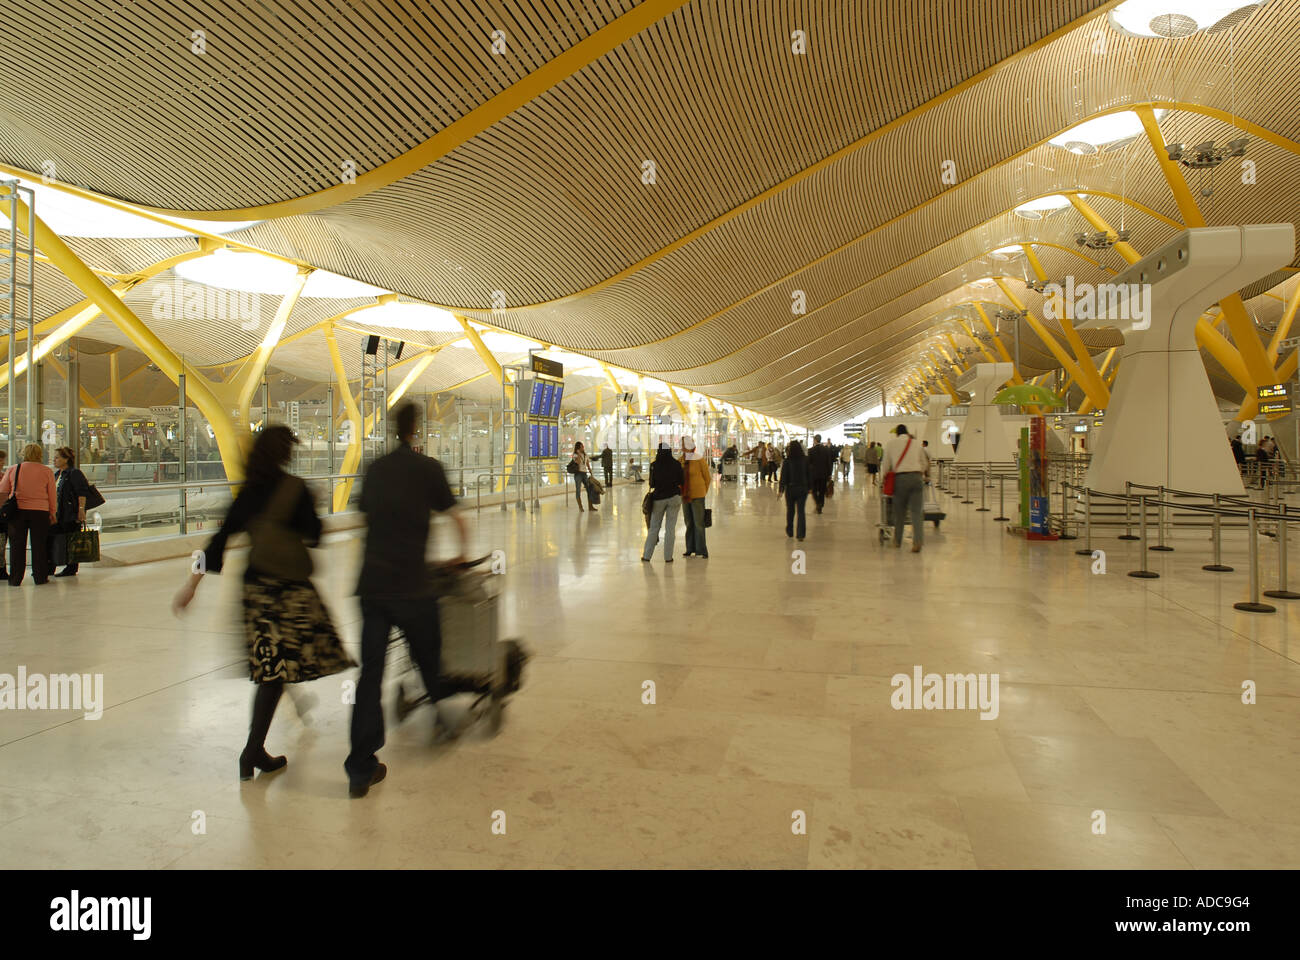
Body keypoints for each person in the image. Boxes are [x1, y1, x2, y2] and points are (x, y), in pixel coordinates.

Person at [173, 426, 354, 781]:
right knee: (277, 671)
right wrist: (311, 507)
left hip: (255, 593)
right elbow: (316, 538)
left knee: (272, 669)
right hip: (290, 593)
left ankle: (258, 747)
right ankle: (252, 750)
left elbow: (218, 541)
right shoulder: (296, 488)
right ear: (284, 453)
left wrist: (190, 585)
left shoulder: (249, 492)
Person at [345, 402, 469, 799]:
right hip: (413, 585)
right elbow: (457, 518)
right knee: (430, 656)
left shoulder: (376, 469)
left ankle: (361, 767)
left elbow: (365, 518)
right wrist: (460, 556)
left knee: (370, 675)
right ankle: (443, 720)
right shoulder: (428, 468)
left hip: (373, 586)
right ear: (416, 428)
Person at [0, 444, 56, 586]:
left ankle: (15, 579)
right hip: (40, 512)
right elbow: (52, 494)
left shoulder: (14, 469)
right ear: (39, 454)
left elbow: (3, 490)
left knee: (17, 546)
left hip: (18, 511)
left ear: (23, 453)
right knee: (39, 545)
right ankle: (40, 577)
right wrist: (52, 512)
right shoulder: (46, 471)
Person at [881, 424, 931, 552]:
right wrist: (921, 473)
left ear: (897, 433)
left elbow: (886, 464)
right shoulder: (916, 444)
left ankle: (897, 541)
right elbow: (925, 463)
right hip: (916, 478)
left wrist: (883, 479)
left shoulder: (891, 444)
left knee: (900, 512)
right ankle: (917, 541)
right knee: (917, 512)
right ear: (907, 432)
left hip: (900, 479)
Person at [47, 446, 90, 578]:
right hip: (58, 513)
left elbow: (82, 492)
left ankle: (71, 567)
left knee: (71, 539)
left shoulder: (74, 473)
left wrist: (81, 510)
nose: (54, 460)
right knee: (53, 539)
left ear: (66, 459)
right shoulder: (56, 474)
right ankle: (50, 567)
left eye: (57, 457)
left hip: (70, 513)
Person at [642, 442, 684, 563]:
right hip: (674, 497)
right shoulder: (676, 464)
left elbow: (652, 484)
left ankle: (647, 556)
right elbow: (682, 480)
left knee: (654, 527)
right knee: (670, 528)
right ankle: (668, 557)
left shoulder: (654, 465)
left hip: (659, 498)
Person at [680, 436, 711, 559]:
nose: (682, 447)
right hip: (685, 496)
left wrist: (703, 491)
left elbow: (707, 478)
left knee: (698, 523)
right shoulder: (681, 460)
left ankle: (702, 550)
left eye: (684, 445)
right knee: (688, 523)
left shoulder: (699, 459)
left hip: (698, 495)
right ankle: (690, 548)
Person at [779, 440, 811, 541]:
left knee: (790, 510)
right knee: (801, 511)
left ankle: (790, 530)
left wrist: (781, 490)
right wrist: (810, 488)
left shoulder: (788, 461)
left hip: (790, 489)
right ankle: (801, 534)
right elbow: (809, 474)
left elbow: (783, 476)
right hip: (802, 489)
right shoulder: (805, 460)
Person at [807, 435, 834, 513]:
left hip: (814, 474)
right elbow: (829, 462)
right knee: (822, 491)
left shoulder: (811, 450)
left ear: (815, 440)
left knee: (814, 490)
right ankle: (820, 505)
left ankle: (818, 503)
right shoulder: (826, 450)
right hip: (824, 474)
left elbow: (809, 463)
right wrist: (829, 473)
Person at [570, 441, 596, 512]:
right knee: (578, 490)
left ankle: (590, 506)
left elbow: (587, 463)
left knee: (589, 490)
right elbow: (577, 462)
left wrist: (590, 471)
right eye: (582, 446)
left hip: (584, 474)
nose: (583, 448)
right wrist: (578, 454)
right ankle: (580, 507)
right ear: (578, 448)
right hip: (578, 474)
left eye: (583, 446)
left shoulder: (585, 454)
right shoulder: (575, 455)